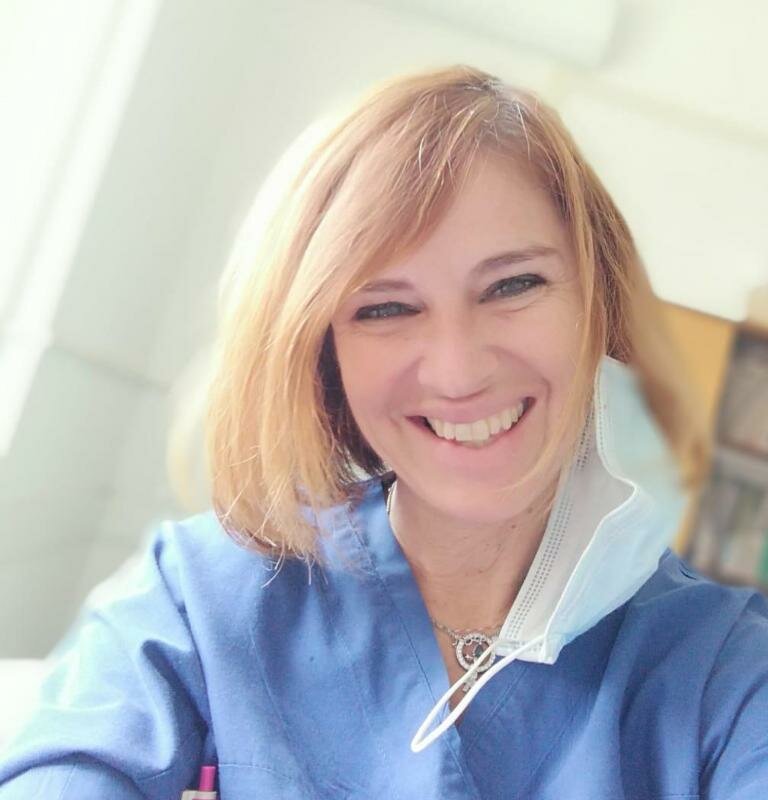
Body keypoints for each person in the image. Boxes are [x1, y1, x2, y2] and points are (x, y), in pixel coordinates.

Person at [1, 64, 767, 800]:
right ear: (322, 353)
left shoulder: (728, 675)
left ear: (599, 304)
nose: (458, 371)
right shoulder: (195, 601)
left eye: (513, 285)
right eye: (385, 309)